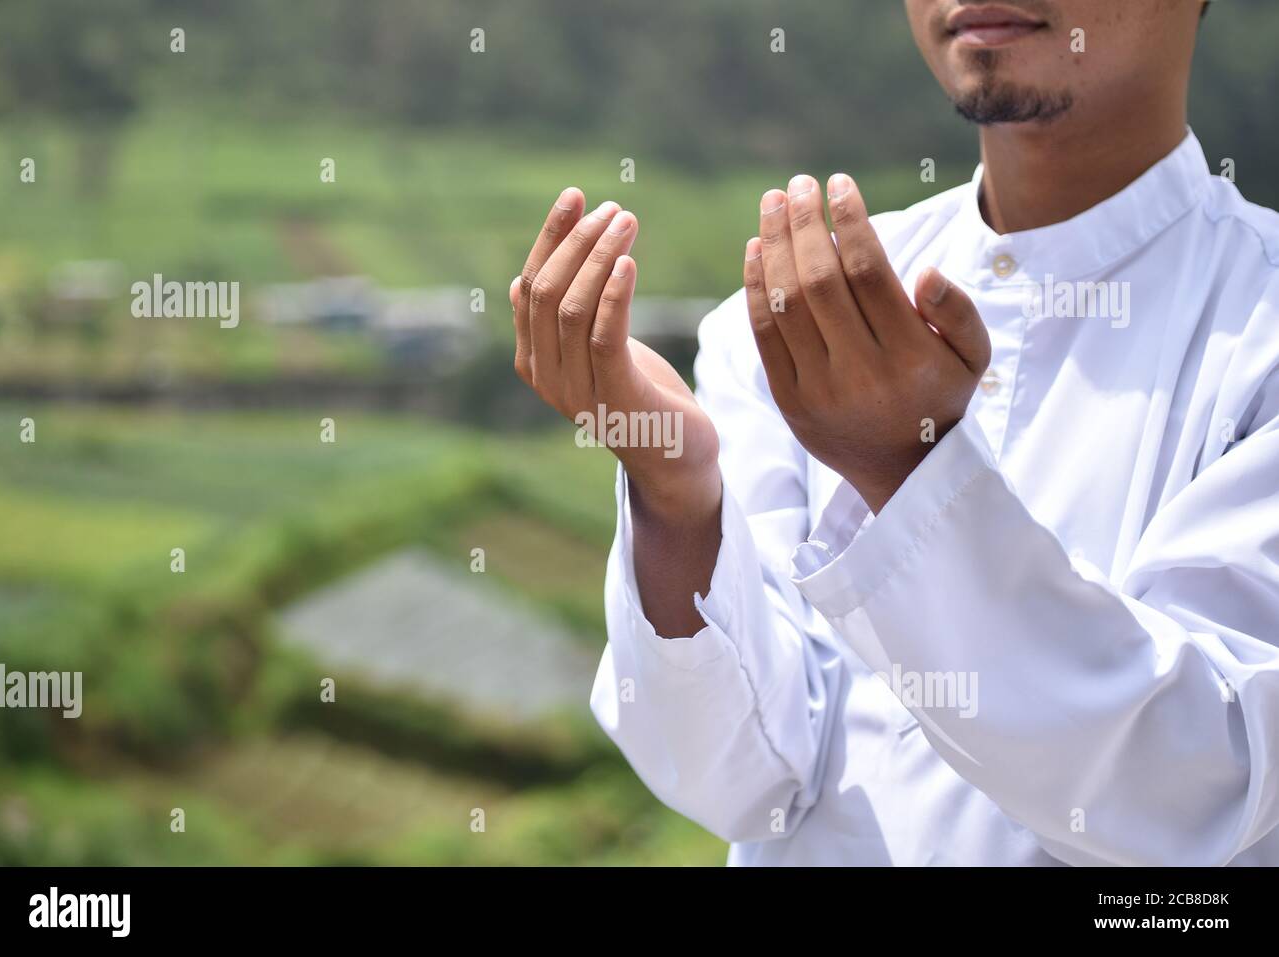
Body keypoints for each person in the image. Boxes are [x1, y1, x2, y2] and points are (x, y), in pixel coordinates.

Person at [508, 0, 1279, 865]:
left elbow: (1202, 782)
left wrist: (909, 470)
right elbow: (744, 780)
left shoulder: (1263, 333)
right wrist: (678, 499)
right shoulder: (793, 318)